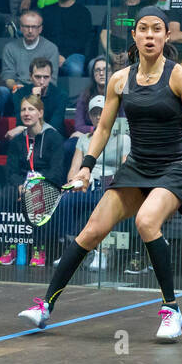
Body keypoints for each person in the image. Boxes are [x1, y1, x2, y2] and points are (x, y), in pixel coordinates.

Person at [17, 6, 182, 341]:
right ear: (134, 36)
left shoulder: (180, 77)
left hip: (173, 167)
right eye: (143, 29)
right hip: (136, 165)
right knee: (92, 230)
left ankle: (172, 311)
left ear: (166, 36)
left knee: (146, 222)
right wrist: (86, 168)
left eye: (156, 29)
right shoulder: (121, 80)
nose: (150, 35)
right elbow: (104, 127)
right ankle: (45, 306)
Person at [55, 95, 131, 271]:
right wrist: (74, 183)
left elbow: (125, 168)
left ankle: (103, 253)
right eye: (94, 113)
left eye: (102, 112)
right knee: (65, 201)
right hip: (86, 186)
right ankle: (72, 251)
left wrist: (113, 185)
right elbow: (73, 171)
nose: (98, 116)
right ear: (89, 116)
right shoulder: (84, 140)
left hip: (109, 188)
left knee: (106, 204)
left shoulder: (123, 139)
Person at [0, 95, 68, 268]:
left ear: (40, 113)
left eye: (31, 109)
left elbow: (56, 171)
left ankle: (39, 248)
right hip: (21, 184)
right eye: (23, 110)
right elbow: (11, 171)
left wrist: (34, 186)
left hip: (46, 184)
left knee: (39, 198)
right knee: (2, 198)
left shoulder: (54, 138)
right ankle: (10, 246)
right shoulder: (18, 141)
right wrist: (20, 185)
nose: (27, 113)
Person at [41, 0, 96, 77]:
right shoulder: (47, 12)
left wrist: (64, 56)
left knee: (75, 69)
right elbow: (44, 37)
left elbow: (83, 40)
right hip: (50, 54)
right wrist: (55, 55)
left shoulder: (82, 12)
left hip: (75, 54)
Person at [0, 10, 60, 94]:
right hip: (18, 90)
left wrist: (34, 90)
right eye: (26, 27)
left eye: (34, 27)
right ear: (20, 28)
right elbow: (8, 76)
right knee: (2, 91)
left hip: (42, 89)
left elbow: (52, 80)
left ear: (40, 29)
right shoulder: (10, 48)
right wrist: (15, 86)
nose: (30, 31)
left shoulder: (51, 49)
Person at [99, 0, 147, 65]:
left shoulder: (145, 10)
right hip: (113, 56)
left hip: (138, 56)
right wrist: (111, 54)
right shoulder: (114, 8)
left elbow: (147, 38)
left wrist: (131, 54)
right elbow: (104, 34)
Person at [11, 57, 66, 133]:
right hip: (27, 135)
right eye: (38, 77)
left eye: (46, 77)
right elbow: (21, 122)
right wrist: (33, 98)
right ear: (30, 76)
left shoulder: (60, 95)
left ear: (50, 77)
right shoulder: (20, 94)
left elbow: (55, 126)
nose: (42, 81)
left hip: (52, 137)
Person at [73, 58, 109, 135]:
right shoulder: (85, 96)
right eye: (98, 70)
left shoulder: (118, 96)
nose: (102, 73)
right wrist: (94, 130)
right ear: (93, 74)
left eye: (105, 69)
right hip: (89, 135)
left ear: (111, 72)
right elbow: (78, 126)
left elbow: (122, 124)